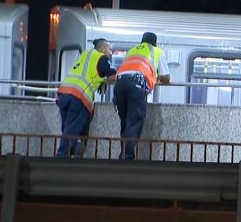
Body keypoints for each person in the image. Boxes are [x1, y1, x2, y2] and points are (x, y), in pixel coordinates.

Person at [113, 32, 170, 160]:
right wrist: (156, 76)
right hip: (137, 84)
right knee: (134, 120)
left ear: (141, 42)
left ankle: (123, 155)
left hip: (120, 83)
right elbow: (166, 77)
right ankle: (128, 157)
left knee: (125, 120)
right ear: (155, 43)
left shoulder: (131, 51)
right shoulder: (157, 51)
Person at [56, 38, 117, 157]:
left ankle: (73, 152)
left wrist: (100, 80)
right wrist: (104, 80)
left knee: (68, 129)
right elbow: (113, 76)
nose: (111, 53)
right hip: (79, 96)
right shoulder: (101, 58)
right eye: (110, 50)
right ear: (102, 49)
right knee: (72, 132)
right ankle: (61, 159)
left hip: (64, 93)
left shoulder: (85, 55)